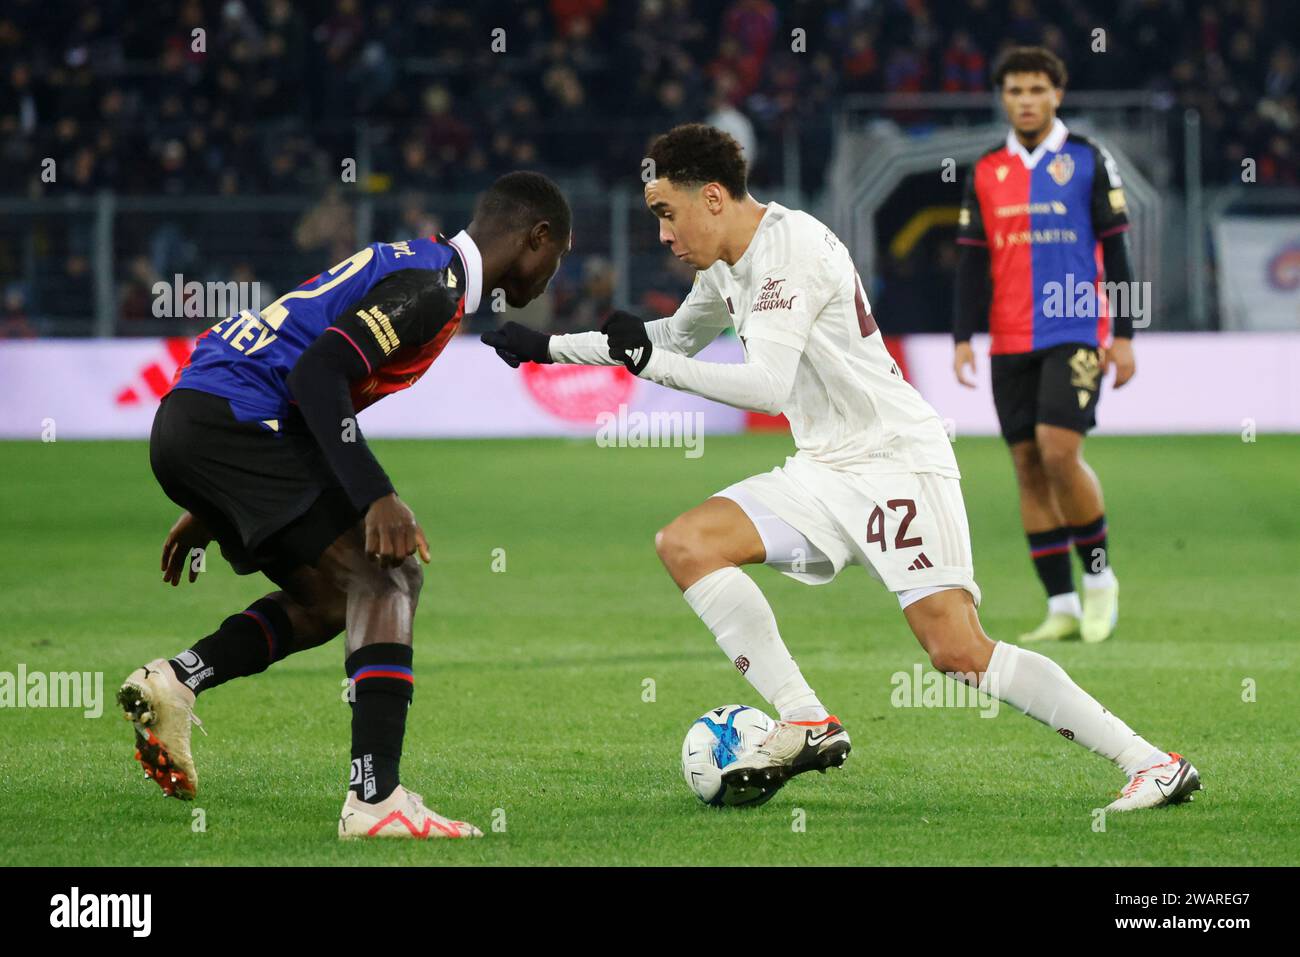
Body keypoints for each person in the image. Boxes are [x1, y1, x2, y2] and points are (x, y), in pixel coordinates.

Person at [482, 124, 1196, 811]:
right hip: (823, 468)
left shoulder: (791, 248)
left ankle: (1153, 764)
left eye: (668, 214)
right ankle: (807, 720)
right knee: (687, 543)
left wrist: (649, 362)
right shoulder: (728, 264)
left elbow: (762, 384)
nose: (664, 234)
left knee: (956, 649)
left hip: (894, 462)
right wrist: (550, 347)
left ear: (713, 198)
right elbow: (671, 337)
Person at [119, 171, 571, 839]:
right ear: (536, 239)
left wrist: (212, 498)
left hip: (205, 419)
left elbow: (301, 372)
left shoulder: (419, 266)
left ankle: (178, 679)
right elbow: (316, 375)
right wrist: (377, 495)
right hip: (233, 421)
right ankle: (375, 798)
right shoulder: (430, 288)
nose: (551, 279)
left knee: (331, 597)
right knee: (387, 573)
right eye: (555, 260)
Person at [952, 46, 1137, 643]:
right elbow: (969, 264)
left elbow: (1119, 250)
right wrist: (962, 337)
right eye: (1015, 91)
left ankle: (1101, 581)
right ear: (1002, 98)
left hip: (1076, 329)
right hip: (1010, 338)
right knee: (1028, 466)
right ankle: (1062, 604)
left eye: (1037, 90)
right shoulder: (984, 168)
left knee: (1060, 453)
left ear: (1057, 94)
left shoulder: (1086, 157)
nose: (1026, 101)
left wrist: (1127, 335)